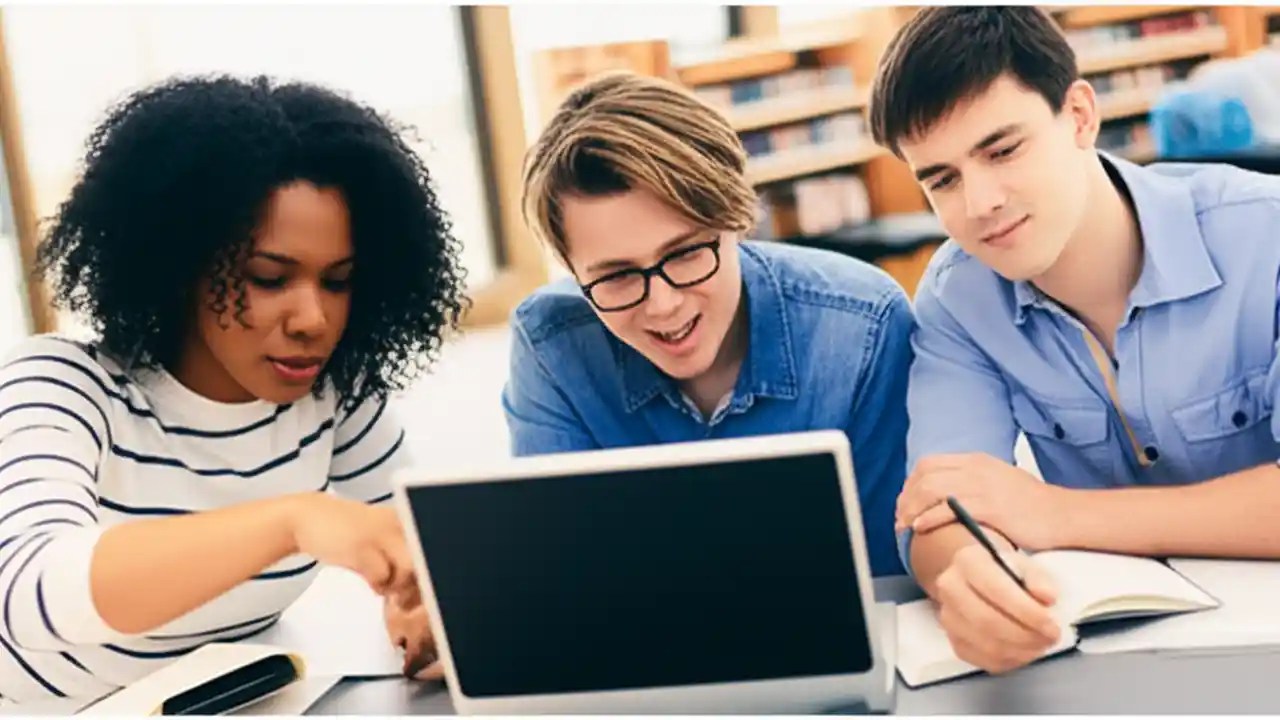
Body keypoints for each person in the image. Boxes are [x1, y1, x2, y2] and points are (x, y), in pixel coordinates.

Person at [0, 75, 467, 703]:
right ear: (180, 264)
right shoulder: (64, 386)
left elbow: (420, 554)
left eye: (337, 281)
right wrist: (295, 519)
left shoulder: (335, 395)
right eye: (270, 278)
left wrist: (426, 605)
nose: (313, 319)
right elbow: (28, 595)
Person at [871, 6, 1280, 674]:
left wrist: (1053, 515)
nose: (979, 203)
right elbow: (938, 507)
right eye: (941, 179)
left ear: (1080, 117)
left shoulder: (1266, 233)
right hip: (1110, 669)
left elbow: (1031, 511)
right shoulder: (955, 297)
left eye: (1002, 150)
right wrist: (971, 580)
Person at [501, 71, 915, 577]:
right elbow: (564, 570)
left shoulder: (864, 327)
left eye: (686, 253)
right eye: (617, 276)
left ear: (738, 220)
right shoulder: (550, 346)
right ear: (572, 270)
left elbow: (890, 579)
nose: (663, 305)